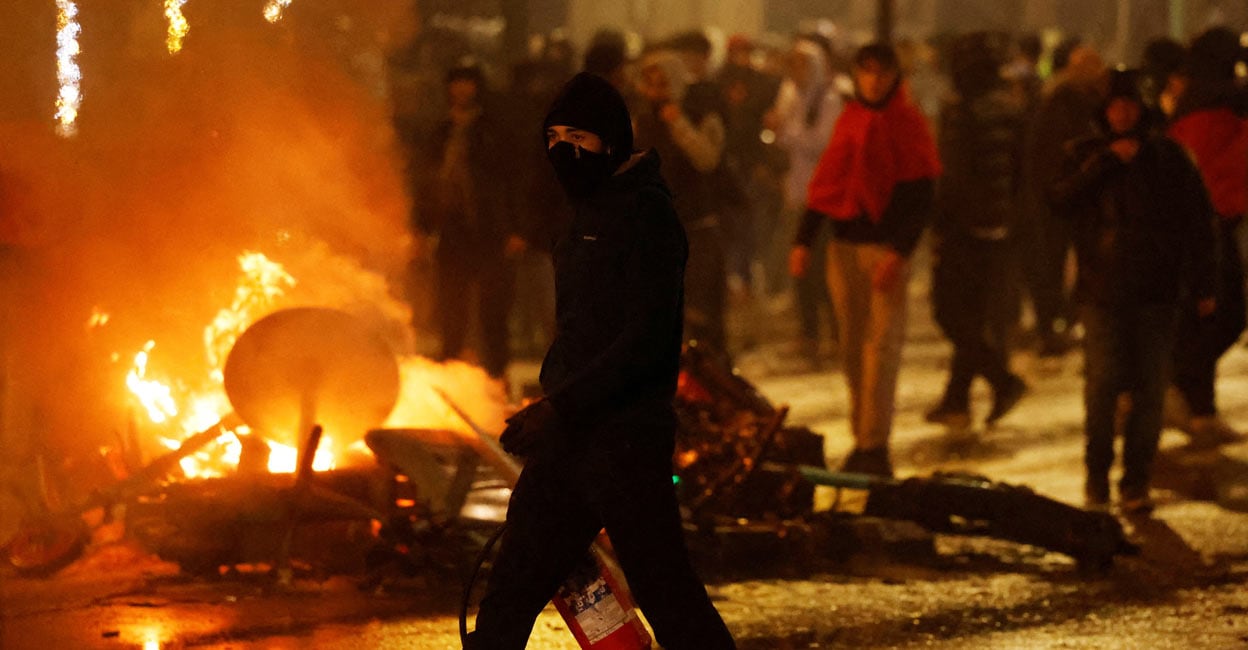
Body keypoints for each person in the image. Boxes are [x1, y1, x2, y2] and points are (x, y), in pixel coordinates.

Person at [465, 72, 736, 650]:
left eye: (579, 137)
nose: (564, 150)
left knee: (667, 593)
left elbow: (645, 341)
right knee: (511, 588)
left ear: (611, 141)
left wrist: (560, 405)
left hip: (626, 442)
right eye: (554, 136)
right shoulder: (582, 210)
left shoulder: (647, 214)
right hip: (567, 441)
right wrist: (554, 405)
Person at [1048, 68, 1216, 514]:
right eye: (1114, 105)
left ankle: (1136, 481)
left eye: (1129, 105)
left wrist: (1204, 283)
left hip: (1156, 291)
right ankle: (1097, 476)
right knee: (1102, 384)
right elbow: (1058, 200)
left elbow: (1198, 223)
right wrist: (1105, 163)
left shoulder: (1168, 158)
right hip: (1100, 290)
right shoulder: (1083, 154)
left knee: (1150, 387)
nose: (1122, 113)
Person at [790, 43, 941, 477]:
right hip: (843, 249)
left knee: (881, 348)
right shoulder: (850, 119)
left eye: (882, 72)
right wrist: (804, 241)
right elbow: (828, 183)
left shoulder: (908, 123)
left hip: (883, 251)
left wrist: (899, 251)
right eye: (866, 71)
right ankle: (862, 438)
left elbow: (921, 195)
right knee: (852, 349)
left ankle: (875, 445)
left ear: (895, 76)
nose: (874, 81)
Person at [926, 32, 1028, 429]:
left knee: (950, 314)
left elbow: (952, 176)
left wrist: (939, 226)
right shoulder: (1011, 108)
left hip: (963, 229)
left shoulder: (961, 110)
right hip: (998, 228)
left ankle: (1002, 381)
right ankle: (956, 401)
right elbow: (1020, 171)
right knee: (971, 316)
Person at [410, 61, 525, 380]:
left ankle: (496, 378)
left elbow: (513, 181)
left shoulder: (495, 131)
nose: (461, 89)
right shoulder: (441, 132)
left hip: (490, 230)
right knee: (451, 312)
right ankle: (452, 377)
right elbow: (426, 184)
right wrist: (421, 228)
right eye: (456, 82)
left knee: (493, 314)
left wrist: (517, 228)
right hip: (452, 230)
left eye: (468, 82)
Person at [1165, 27, 1248, 445]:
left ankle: (1201, 411)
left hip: (1203, 217)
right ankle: (1175, 382)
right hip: (1215, 218)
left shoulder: (1193, 99)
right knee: (1227, 314)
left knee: (1208, 316)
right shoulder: (1225, 100)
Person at [634, 50, 731, 353]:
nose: (656, 92)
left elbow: (707, 160)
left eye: (663, 84)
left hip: (698, 227)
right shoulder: (643, 122)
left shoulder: (702, 113)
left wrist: (680, 124)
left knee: (700, 314)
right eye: (650, 85)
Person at [1021, 45, 1106, 357]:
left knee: (1076, 261)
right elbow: (1044, 154)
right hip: (1059, 197)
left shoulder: (1089, 101)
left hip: (1075, 196)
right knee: (1053, 263)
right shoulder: (1060, 102)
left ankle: (1065, 320)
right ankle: (1054, 325)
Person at [765, 35, 845, 364]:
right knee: (800, 270)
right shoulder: (790, 93)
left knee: (824, 270)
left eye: (802, 65)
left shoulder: (830, 97)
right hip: (796, 195)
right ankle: (808, 335)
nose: (796, 71)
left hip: (823, 198)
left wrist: (786, 132)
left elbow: (823, 142)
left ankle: (837, 335)